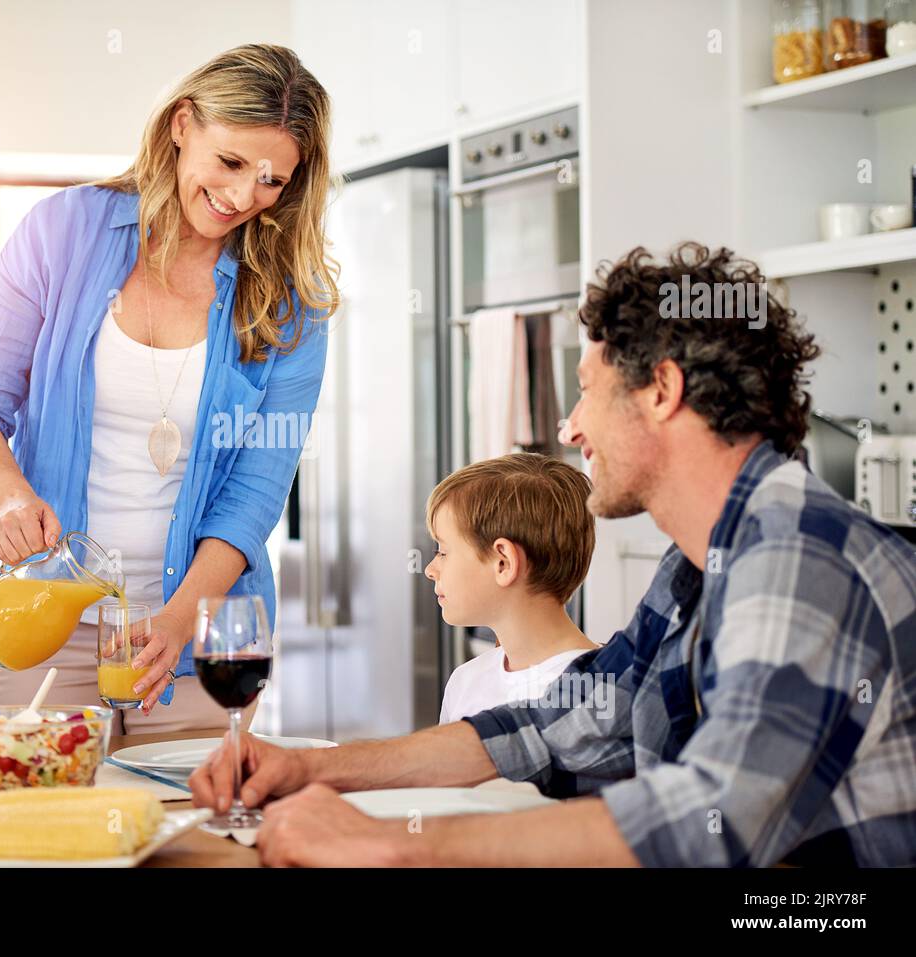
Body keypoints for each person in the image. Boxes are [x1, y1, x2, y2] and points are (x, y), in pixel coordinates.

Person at [191, 243, 916, 867]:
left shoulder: (799, 558)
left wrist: (396, 845)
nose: (570, 427)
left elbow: (709, 820)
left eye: (586, 390)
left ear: (661, 389)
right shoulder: (700, 562)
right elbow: (565, 722)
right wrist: (312, 769)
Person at [0, 44, 338, 735]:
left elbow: (255, 491)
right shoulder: (61, 232)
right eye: (231, 163)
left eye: (273, 179)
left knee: (195, 833)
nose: (244, 196)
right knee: (52, 824)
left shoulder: (289, 304)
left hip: (203, 633)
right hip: (50, 624)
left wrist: (178, 621)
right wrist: (10, 493)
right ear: (182, 124)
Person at [427, 453, 599, 724]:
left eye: (443, 552)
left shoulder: (599, 692)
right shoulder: (465, 682)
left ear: (503, 563)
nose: (429, 569)